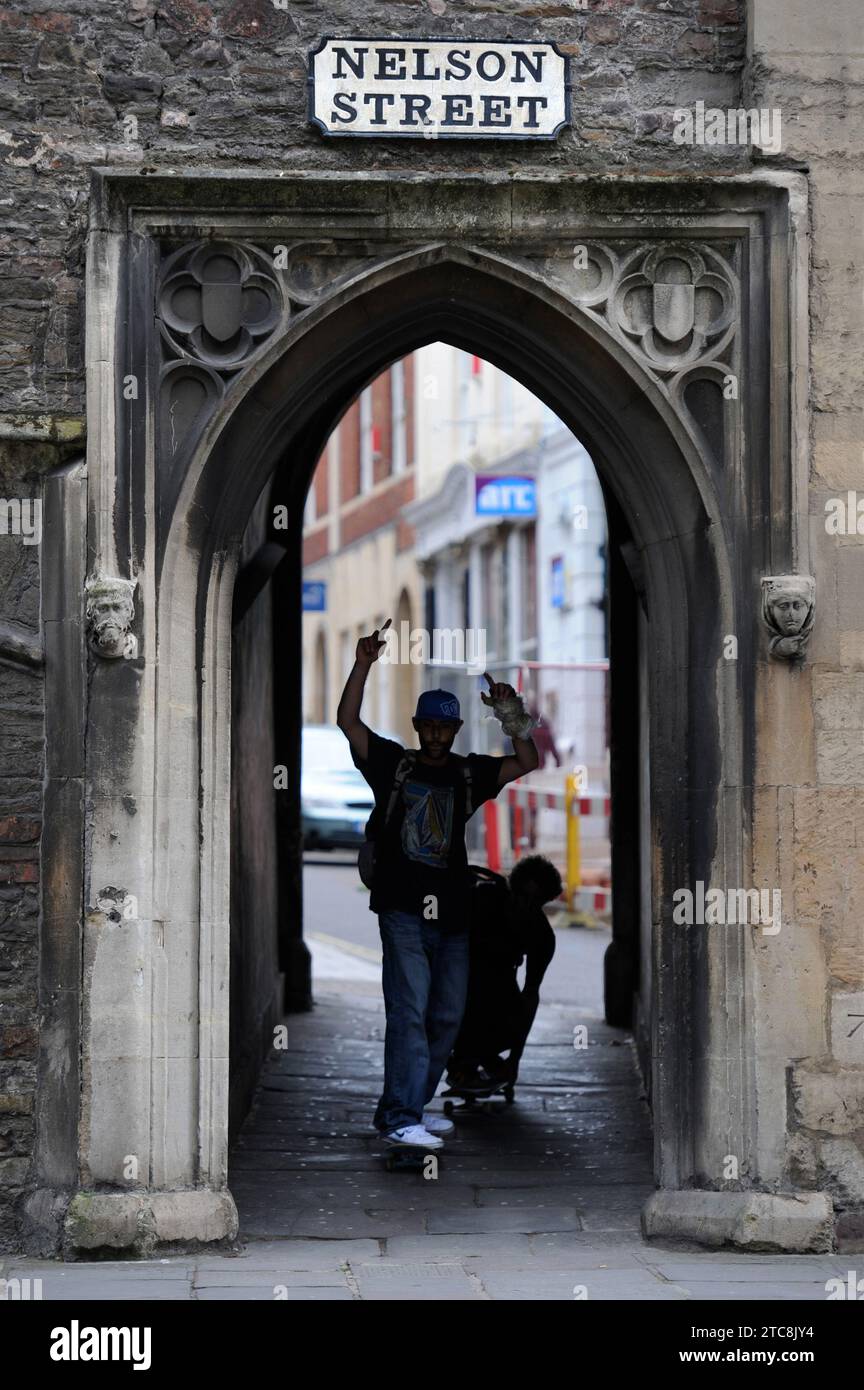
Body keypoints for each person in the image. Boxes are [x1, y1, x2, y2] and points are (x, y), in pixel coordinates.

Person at [336, 618, 539, 1151]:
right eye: (427, 726)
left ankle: (410, 1108)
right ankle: (402, 1117)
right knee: (408, 1011)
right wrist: (362, 664)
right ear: (417, 725)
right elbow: (348, 722)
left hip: (453, 915)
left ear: (454, 732)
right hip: (402, 910)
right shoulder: (393, 765)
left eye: (443, 729)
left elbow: (527, 761)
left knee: (446, 1014)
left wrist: (509, 712)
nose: (434, 735)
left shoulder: (469, 775)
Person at [446, 855, 562, 1093]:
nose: (525, 907)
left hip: (499, 995)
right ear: (512, 886)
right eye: (522, 897)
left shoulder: (542, 936)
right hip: (457, 981)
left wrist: (515, 1059)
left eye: (535, 902)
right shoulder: (481, 898)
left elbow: (531, 994)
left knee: (498, 1001)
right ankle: (467, 1062)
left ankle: (480, 1060)